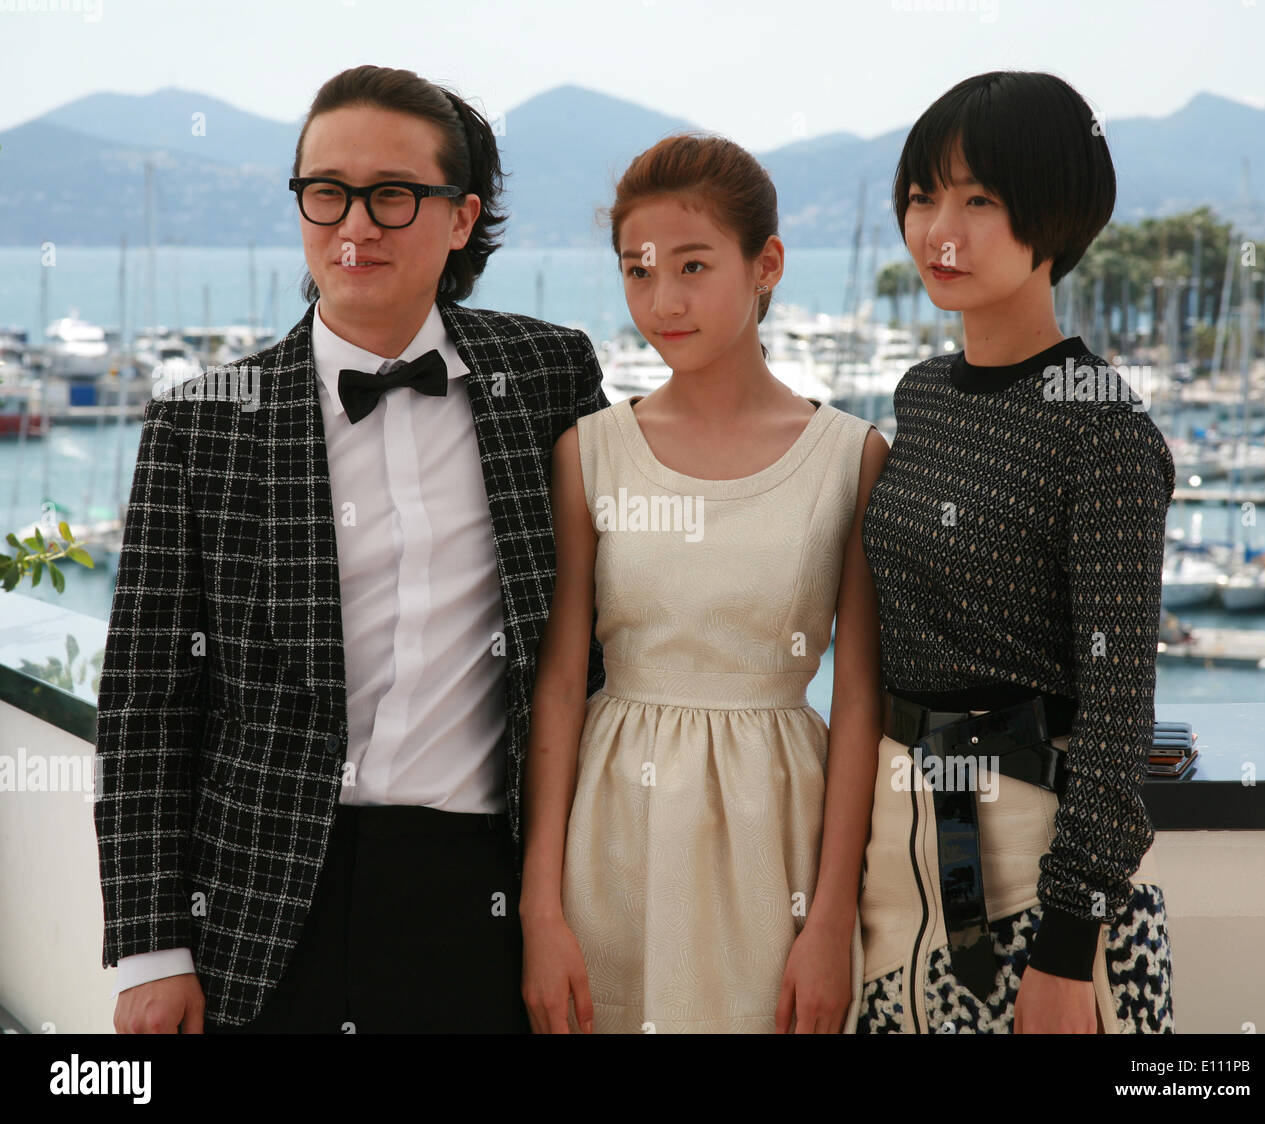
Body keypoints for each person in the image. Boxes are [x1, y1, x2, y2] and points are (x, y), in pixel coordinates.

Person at [94, 65, 609, 1033]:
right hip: (261, 897)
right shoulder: (199, 421)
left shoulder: (547, 372)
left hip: (486, 888)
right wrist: (154, 947)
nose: (354, 225)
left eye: (393, 195)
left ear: (461, 218)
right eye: (325, 191)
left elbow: (605, 626)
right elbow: (146, 699)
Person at [519, 133, 891, 1033]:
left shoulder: (850, 457)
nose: (664, 301)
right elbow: (564, 684)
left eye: (693, 266)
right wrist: (539, 911)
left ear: (765, 265)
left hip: (779, 833)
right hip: (611, 836)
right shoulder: (590, 451)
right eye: (637, 272)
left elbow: (861, 698)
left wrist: (832, 917)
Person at [856, 71, 1175, 1034]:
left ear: (1056, 217)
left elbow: (1120, 708)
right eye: (922, 197)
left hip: (1037, 872)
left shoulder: (1106, 429)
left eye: (979, 200)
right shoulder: (922, 395)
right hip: (897, 849)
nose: (938, 231)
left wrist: (1068, 948)